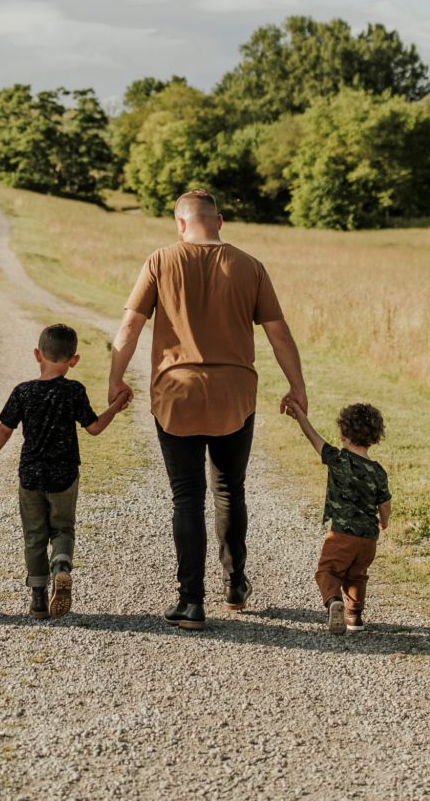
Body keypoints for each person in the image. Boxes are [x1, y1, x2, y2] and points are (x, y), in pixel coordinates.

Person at [107, 189, 308, 631]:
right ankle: (235, 584)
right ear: (219, 221)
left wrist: (114, 378)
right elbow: (279, 334)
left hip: (176, 394)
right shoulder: (250, 266)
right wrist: (298, 386)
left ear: (180, 224)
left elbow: (129, 326)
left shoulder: (161, 261)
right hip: (236, 395)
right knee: (230, 490)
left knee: (187, 496)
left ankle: (191, 601)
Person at [0, 324, 133, 620]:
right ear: (74, 360)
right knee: (63, 529)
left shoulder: (24, 392)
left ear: (37, 355)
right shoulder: (74, 391)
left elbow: (4, 430)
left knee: (34, 536)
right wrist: (117, 404)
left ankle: (37, 600)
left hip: (30, 476)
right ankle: (61, 565)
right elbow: (94, 428)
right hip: (64, 475)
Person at [280, 397, 391, 634]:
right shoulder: (378, 471)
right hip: (368, 539)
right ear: (374, 437)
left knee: (328, 571)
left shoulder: (337, 459)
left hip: (342, 534)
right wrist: (384, 521)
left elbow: (313, 437)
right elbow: (385, 503)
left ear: (343, 434)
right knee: (357, 576)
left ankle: (333, 602)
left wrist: (299, 414)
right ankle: (354, 617)